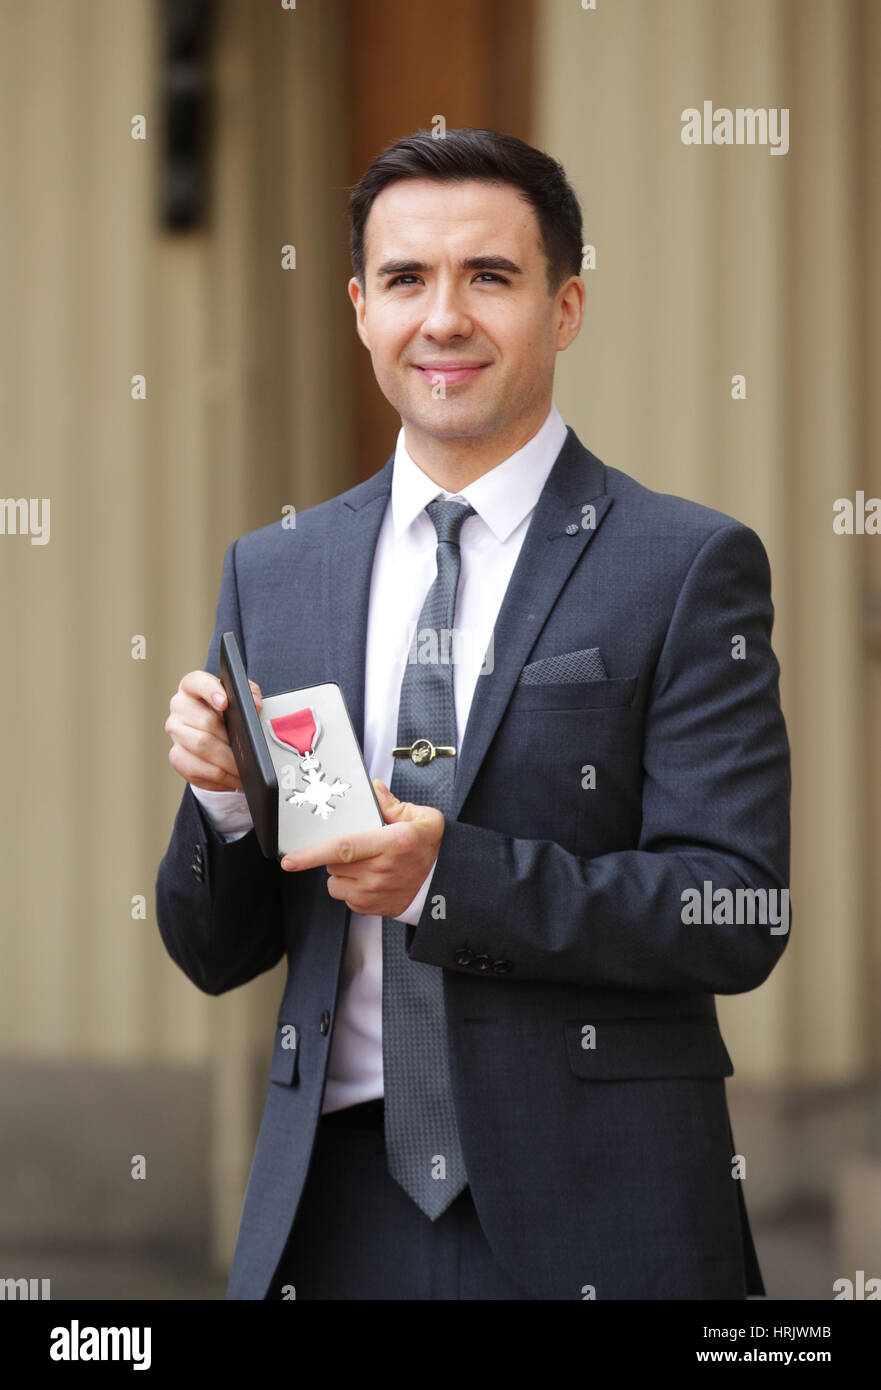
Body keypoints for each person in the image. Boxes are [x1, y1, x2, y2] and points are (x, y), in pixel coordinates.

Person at [156, 127, 791, 1300]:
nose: (441, 318)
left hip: (603, 1212)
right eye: (405, 279)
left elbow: (733, 908)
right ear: (359, 309)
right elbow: (215, 952)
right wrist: (224, 809)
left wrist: (449, 880)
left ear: (565, 307)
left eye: (487, 277)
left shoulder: (685, 564)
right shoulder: (276, 569)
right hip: (330, 1211)